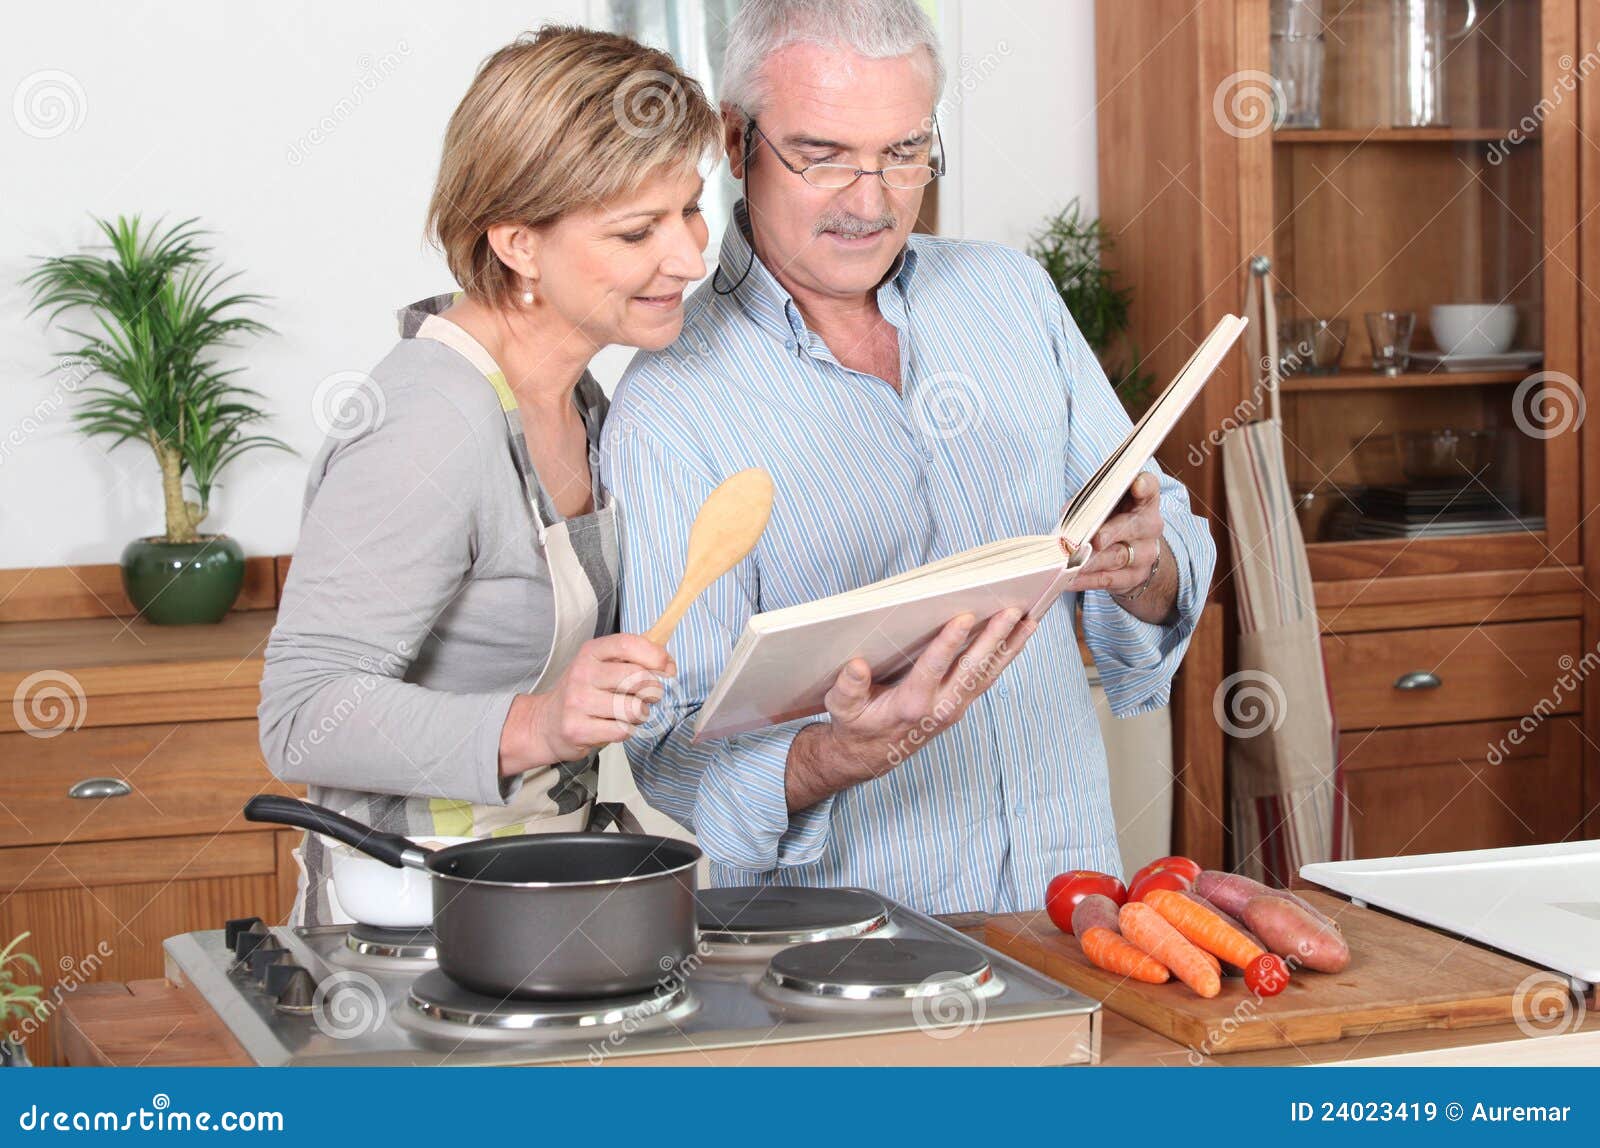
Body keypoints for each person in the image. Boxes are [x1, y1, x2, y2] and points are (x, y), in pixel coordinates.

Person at [600, 0, 1217, 916]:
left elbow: (1168, 566)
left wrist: (1143, 565)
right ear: (737, 144)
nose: (870, 199)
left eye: (903, 152)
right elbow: (670, 755)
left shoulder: (1012, 296)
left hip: (1071, 908)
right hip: (839, 958)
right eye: (822, 155)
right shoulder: (670, 402)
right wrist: (836, 753)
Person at [259, 26, 721, 924]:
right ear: (516, 242)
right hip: (404, 915)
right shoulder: (428, 422)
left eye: (691, 209)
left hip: (534, 899)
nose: (690, 257)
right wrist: (539, 724)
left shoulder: (578, 398)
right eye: (638, 231)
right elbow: (301, 715)